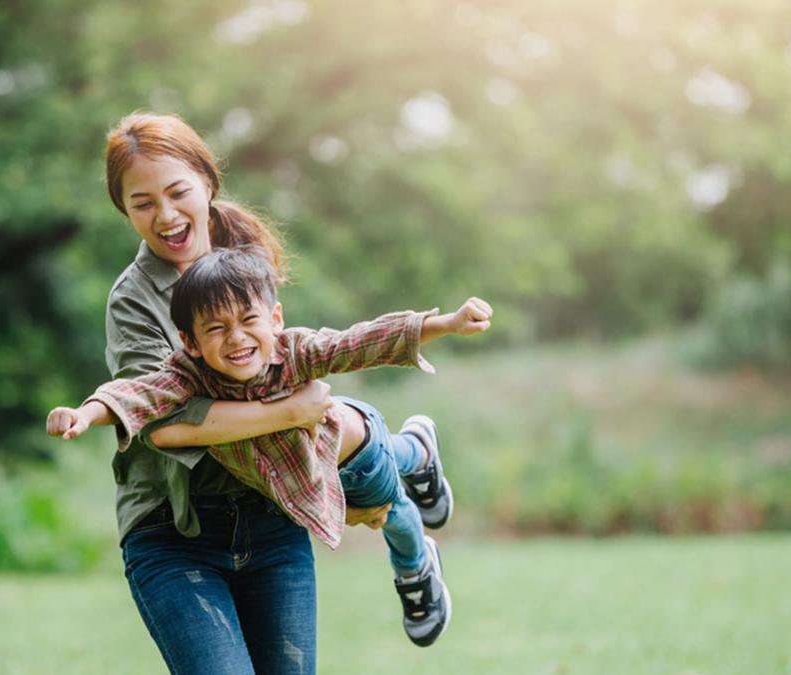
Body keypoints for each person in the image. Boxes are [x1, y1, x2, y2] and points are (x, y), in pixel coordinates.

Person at [84, 112, 411, 674]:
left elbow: (300, 361)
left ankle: (407, 470)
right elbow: (167, 421)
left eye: (178, 192)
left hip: (269, 518)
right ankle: (406, 465)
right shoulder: (132, 300)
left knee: (351, 429)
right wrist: (292, 411)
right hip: (175, 530)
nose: (165, 215)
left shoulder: (245, 258)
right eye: (142, 203)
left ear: (208, 183)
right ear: (124, 210)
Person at [48, 247, 494, 647]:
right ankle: (416, 449)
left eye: (248, 321)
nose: (237, 338)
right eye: (216, 329)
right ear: (190, 342)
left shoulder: (296, 351)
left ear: (275, 318)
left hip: (350, 452)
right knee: (388, 495)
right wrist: (84, 414)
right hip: (307, 471)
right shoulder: (187, 376)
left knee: (390, 508)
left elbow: (360, 342)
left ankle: (416, 552)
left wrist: (446, 323)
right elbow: (138, 394)